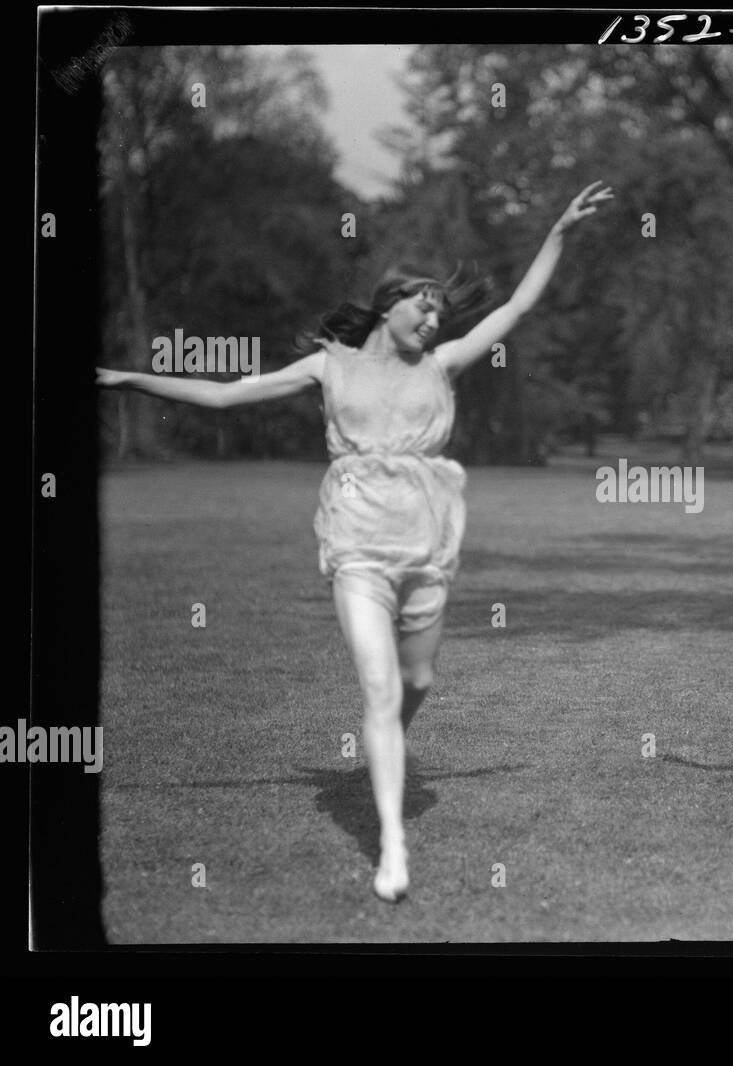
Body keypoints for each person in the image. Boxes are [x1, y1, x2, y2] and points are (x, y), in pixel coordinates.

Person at [98, 181, 614, 900]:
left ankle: (386, 743)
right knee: (378, 690)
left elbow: (518, 306)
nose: (434, 319)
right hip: (357, 547)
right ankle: (393, 848)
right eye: (423, 304)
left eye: (440, 309)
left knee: (417, 683)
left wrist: (559, 227)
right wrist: (125, 378)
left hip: (427, 546)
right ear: (388, 302)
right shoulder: (328, 365)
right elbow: (224, 394)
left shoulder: (446, 364)